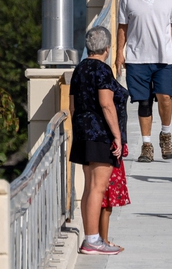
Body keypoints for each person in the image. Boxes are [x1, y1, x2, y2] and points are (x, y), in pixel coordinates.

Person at [116, 0, 172, 163]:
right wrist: (119, 52)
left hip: (163, 56)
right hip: (136, 57)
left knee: (165, 97)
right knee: (143, 103)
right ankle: (146, 145)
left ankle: (165, 134)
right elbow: (123, 26)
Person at [71, 26, 125, 256]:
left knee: (89, 187)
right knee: (98, 188)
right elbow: (106, 103)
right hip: (99, 134)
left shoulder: (80, 69)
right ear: (107, 48)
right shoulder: (102, 71)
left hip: (82, 132)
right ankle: (93, 240)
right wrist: (117, 136)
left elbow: (73, 106)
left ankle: (90, 237)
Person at [99, 141, 131, 253]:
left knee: (102, 207)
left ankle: (101, 239)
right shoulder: (113, 137)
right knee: (106, 209)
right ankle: (104, 240)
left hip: (104, 168)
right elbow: (124, 151)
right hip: (112, 171)